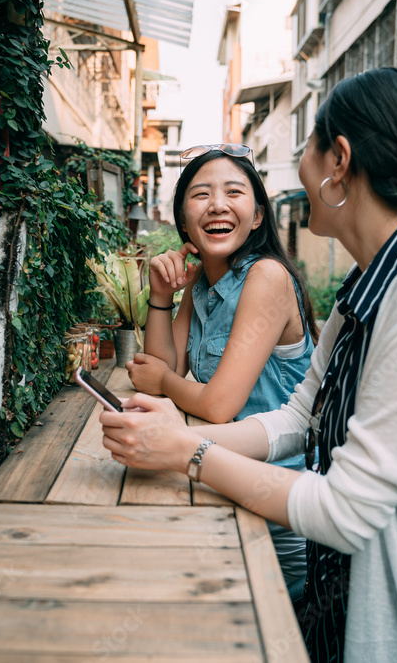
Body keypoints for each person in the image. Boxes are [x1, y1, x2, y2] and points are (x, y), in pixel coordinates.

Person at [100, 67, 397, 662]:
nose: (297, 170)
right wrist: (171, 433)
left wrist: (188, 451)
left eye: (306, 145)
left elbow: (346, 508)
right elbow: (294, 417)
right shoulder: (369, 283)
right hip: (351, 610)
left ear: (338, 160)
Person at [126, 144, 319, 601]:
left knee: (268, 625)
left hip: (281, 499)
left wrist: (165, 385)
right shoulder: (203, 284)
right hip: (225, 476)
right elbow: (166, 365)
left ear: (256, 216)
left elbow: (215, 403)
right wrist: (161, 295)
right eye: (200, 195)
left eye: (234, 191)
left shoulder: (267, 277)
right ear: (183, 218)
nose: (217, 204)